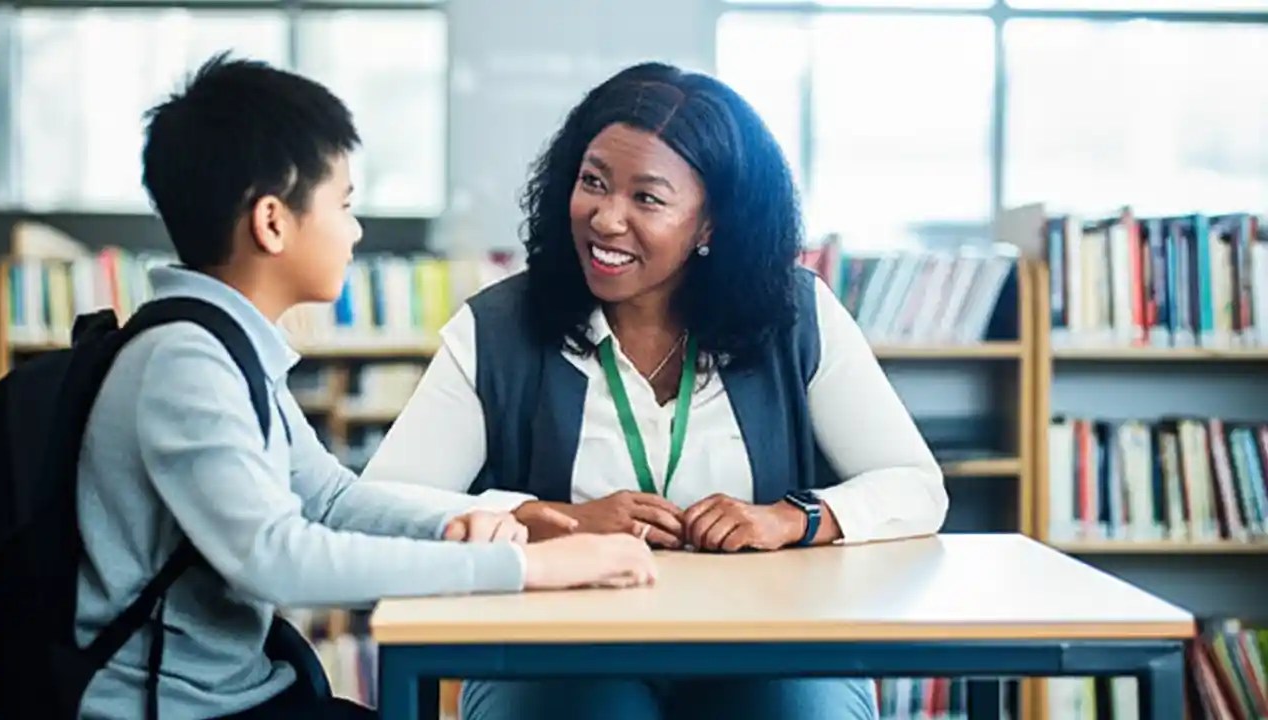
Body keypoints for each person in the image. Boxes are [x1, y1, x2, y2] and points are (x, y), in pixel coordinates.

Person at [74, 54, 656, 720]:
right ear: (272, 222)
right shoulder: (185, 364)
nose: (355, 231)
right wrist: (527, 571)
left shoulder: (221, 347)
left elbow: (326, 499)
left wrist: (483, 527)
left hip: (239, 696)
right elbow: (274, 558)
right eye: (343, 205)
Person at [363, 61, 949, 720]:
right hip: (557, 645)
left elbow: (915, 485)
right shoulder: (498, 326)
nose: (606, 219)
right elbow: (379, 507)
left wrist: (787, 519)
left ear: (710, 225)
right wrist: (547, 521)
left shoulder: (794, 315)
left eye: (647, 198)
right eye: (593, 183)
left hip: (770, 640)